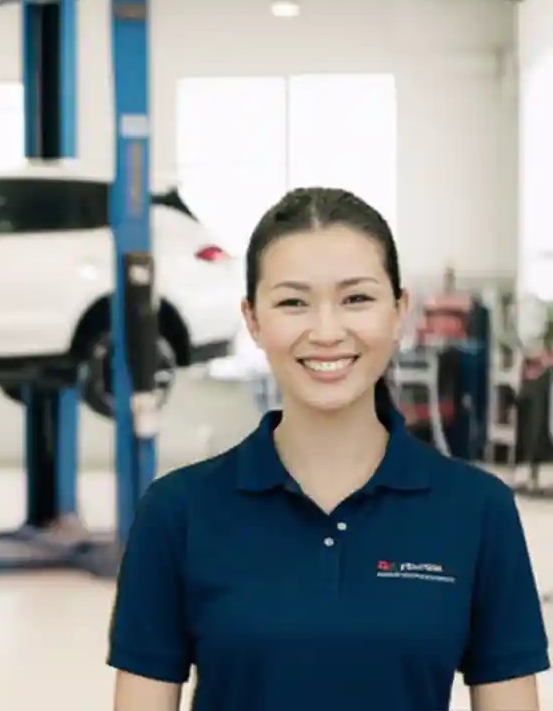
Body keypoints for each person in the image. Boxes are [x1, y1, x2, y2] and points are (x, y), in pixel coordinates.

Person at [107, 187, 550, 711]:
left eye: (356, 299)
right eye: (293, 302)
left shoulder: (477, 510)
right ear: (253, 319)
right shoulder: (177, 513)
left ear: (399, 310)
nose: (326, 332)